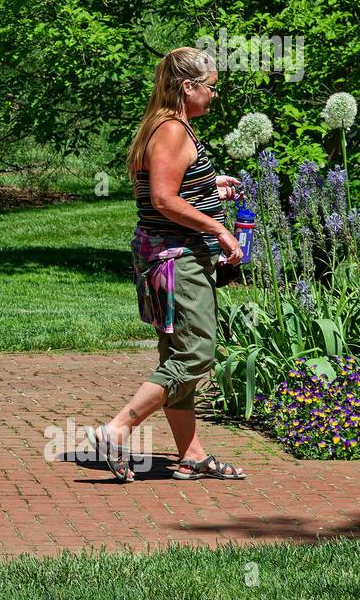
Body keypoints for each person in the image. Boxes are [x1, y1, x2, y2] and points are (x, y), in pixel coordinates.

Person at [87, 46, 247, 482]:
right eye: (211, 87)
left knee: (178, 353)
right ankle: (117, 430)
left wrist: (211, 187)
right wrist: (219, 228)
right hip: (178, 259)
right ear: (188, 87)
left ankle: (191, 455)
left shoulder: (169, 126)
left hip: (165, 254)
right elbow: (162, 198)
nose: (215, 95)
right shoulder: (172, 130)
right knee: (196, 354)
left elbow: (173, 185)